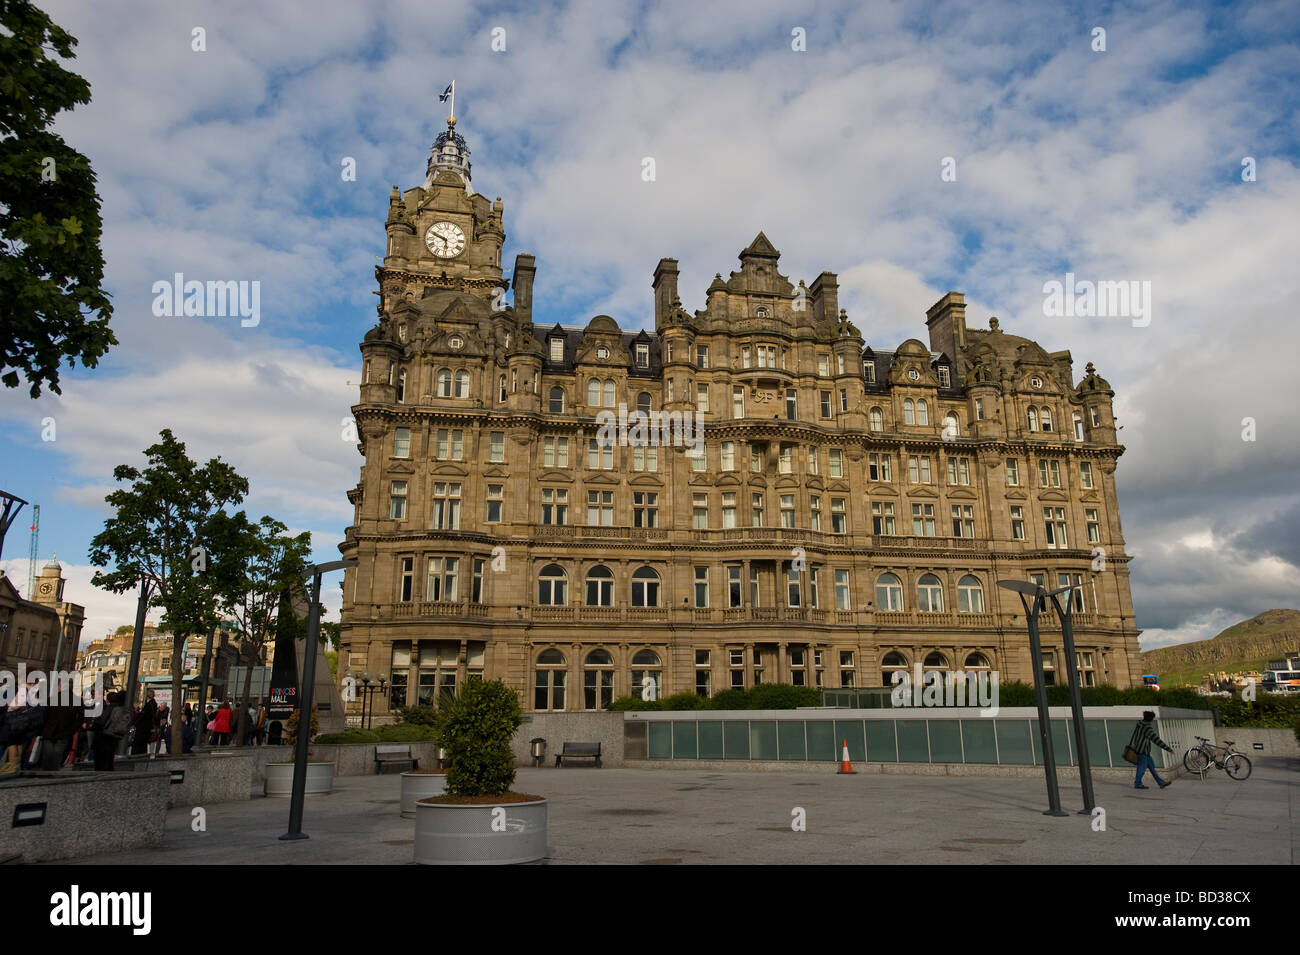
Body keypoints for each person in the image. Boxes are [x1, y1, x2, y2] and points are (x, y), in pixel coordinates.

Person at [1130, 710, 1174, 790]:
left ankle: (1161, 783)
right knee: (1141, 768)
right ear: (1150, 719)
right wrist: (1168, 749)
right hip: (1143, 752)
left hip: (1141, 750)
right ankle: (1138, 783)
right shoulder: (1147, 728)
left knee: (1152, 768)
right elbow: (1156, 740)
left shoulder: (1139, 725)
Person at [92, 692, 130, 770]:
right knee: (110, 756)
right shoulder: (122, 708)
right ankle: (108, 770)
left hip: (105, 735)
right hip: (115, 735)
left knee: (101, 758)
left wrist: (94, 723)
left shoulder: (109, 707)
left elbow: (102, 721)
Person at [131, 689, 158, 755]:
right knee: (143, 743)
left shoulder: (149, 704)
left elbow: (144, 715)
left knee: (138, 743)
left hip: (143, 727)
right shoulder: (154, 703)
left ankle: (137, 754)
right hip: (148, 726)